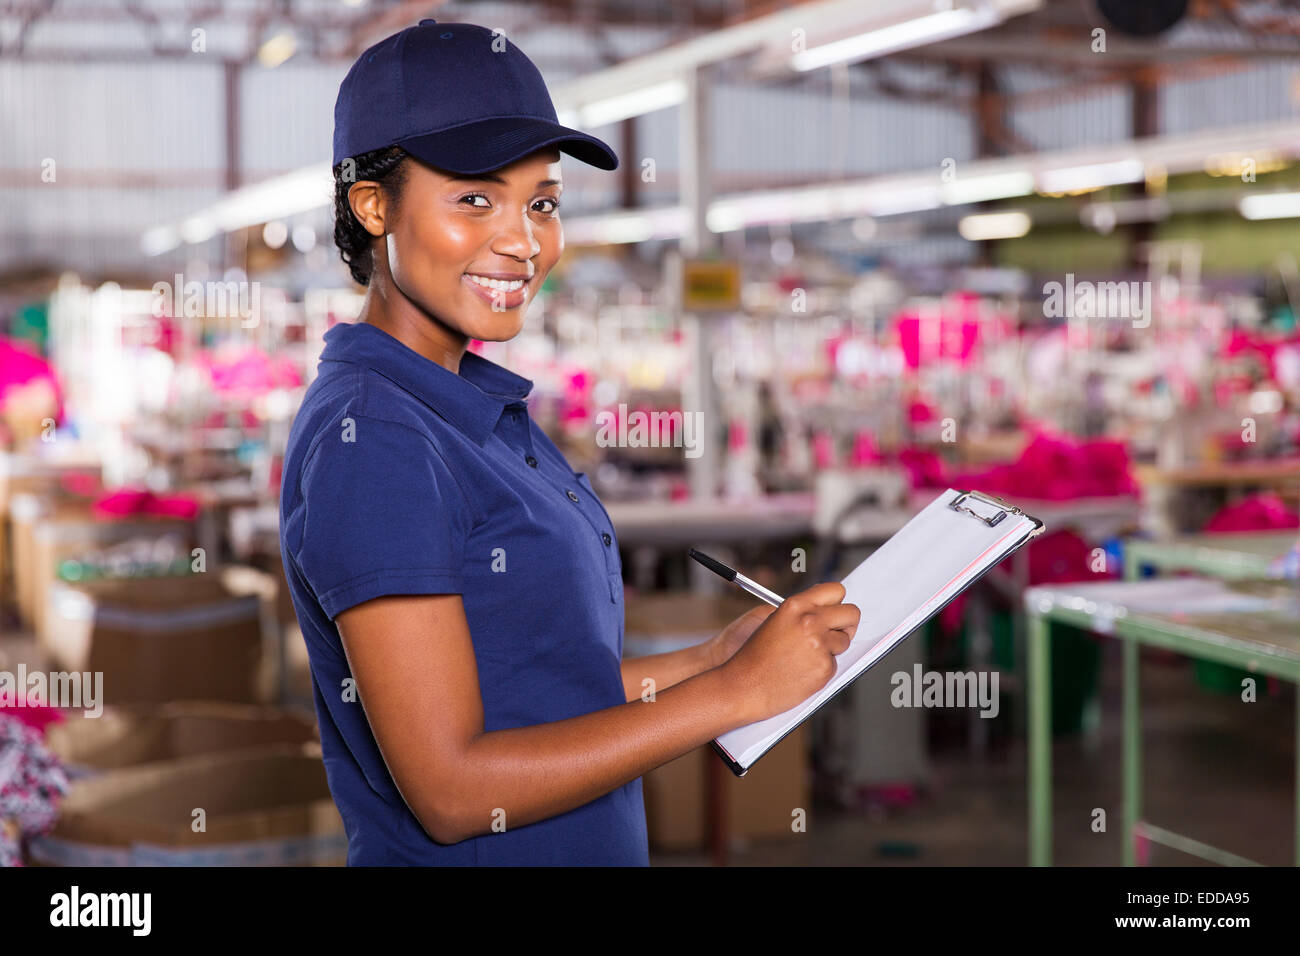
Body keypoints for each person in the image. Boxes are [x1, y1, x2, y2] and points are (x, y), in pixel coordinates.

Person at [278, 19, 859, 866]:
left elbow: (531, 694)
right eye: (475, 198)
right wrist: (733, 696)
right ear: (374, 206)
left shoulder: (471, 408)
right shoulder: (376, 440)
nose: (523, 242)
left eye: (541, 202)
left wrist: (705, 662)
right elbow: (451, 791)